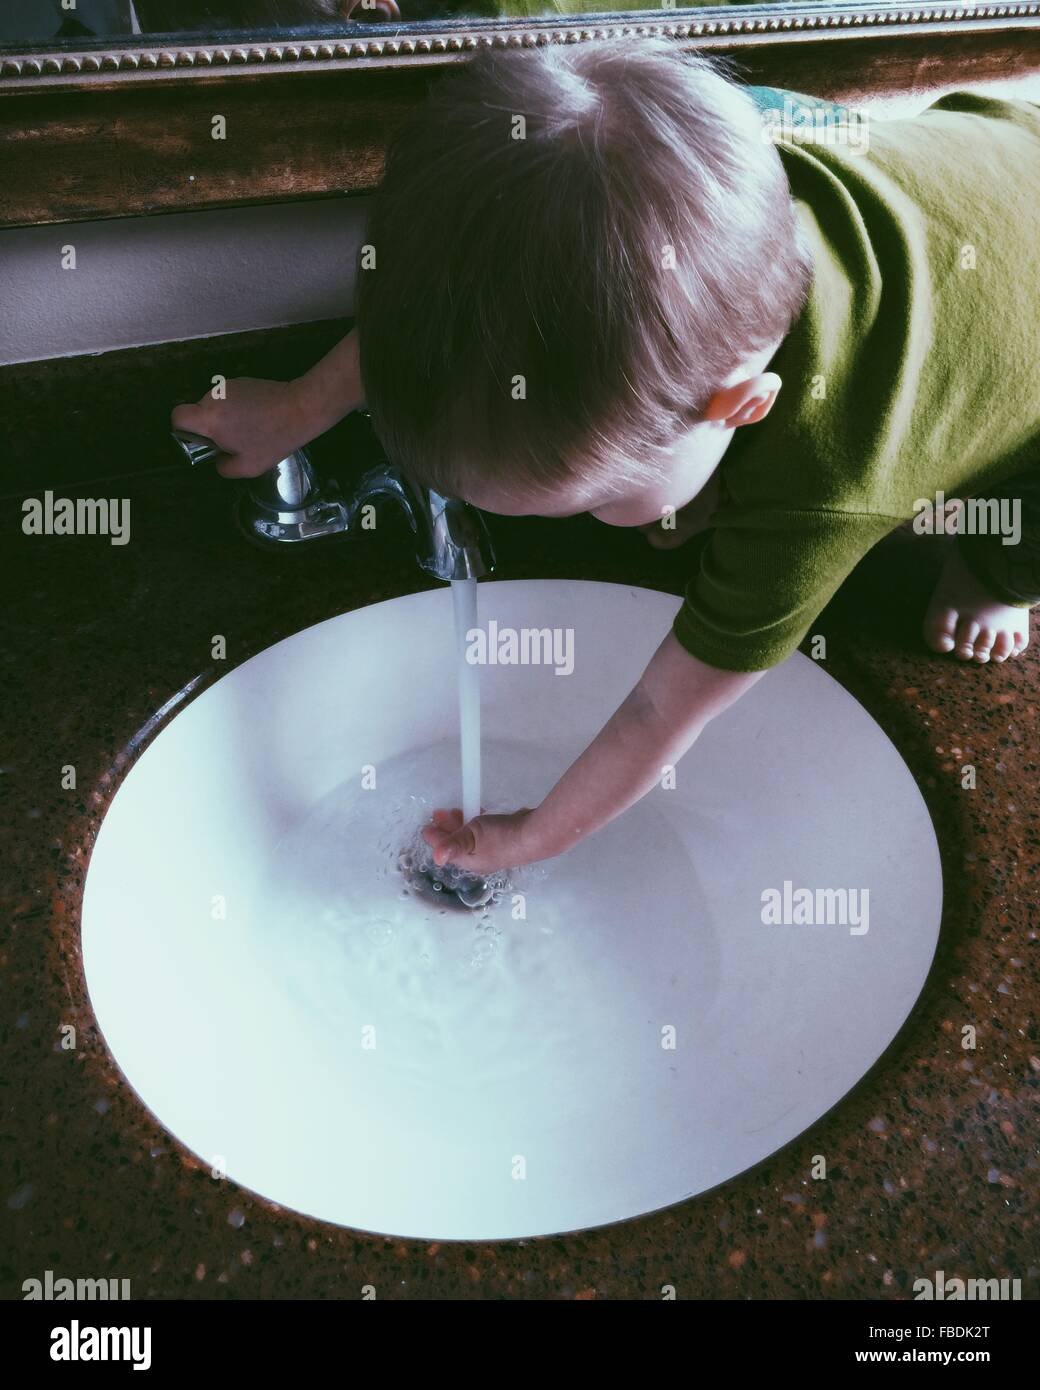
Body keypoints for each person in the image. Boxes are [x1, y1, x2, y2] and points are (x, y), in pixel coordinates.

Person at [173, 39, 1040, 875]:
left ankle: (1001, 572)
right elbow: (458, 319)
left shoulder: (825, 492)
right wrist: (297, 408)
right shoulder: (699, 175)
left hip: (1013, 310)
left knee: (1016, 534)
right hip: (974, 155)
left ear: (741, 407)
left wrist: (531, 838)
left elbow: (663, 707)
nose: (598, 524)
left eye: (592, 503)